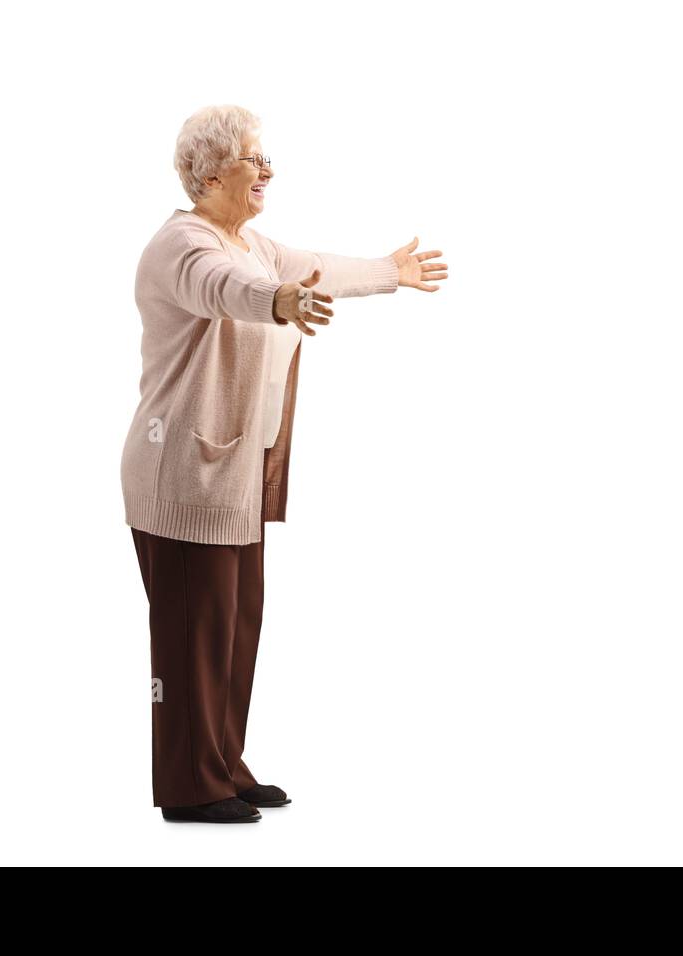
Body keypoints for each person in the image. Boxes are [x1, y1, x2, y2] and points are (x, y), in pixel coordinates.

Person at [120, 104, 448, 823]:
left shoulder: (254, 246)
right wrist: (278, 301)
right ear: (210, 173)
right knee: (190, 636)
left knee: (234, 627)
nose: (268, 169)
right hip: (181, 473)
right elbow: (224, 290)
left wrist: (391, 271)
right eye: (251, 157)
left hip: (230, 473)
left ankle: (223, 765)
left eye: (265, 156)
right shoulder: (186, 245)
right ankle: (188, 785)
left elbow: (320, 268)